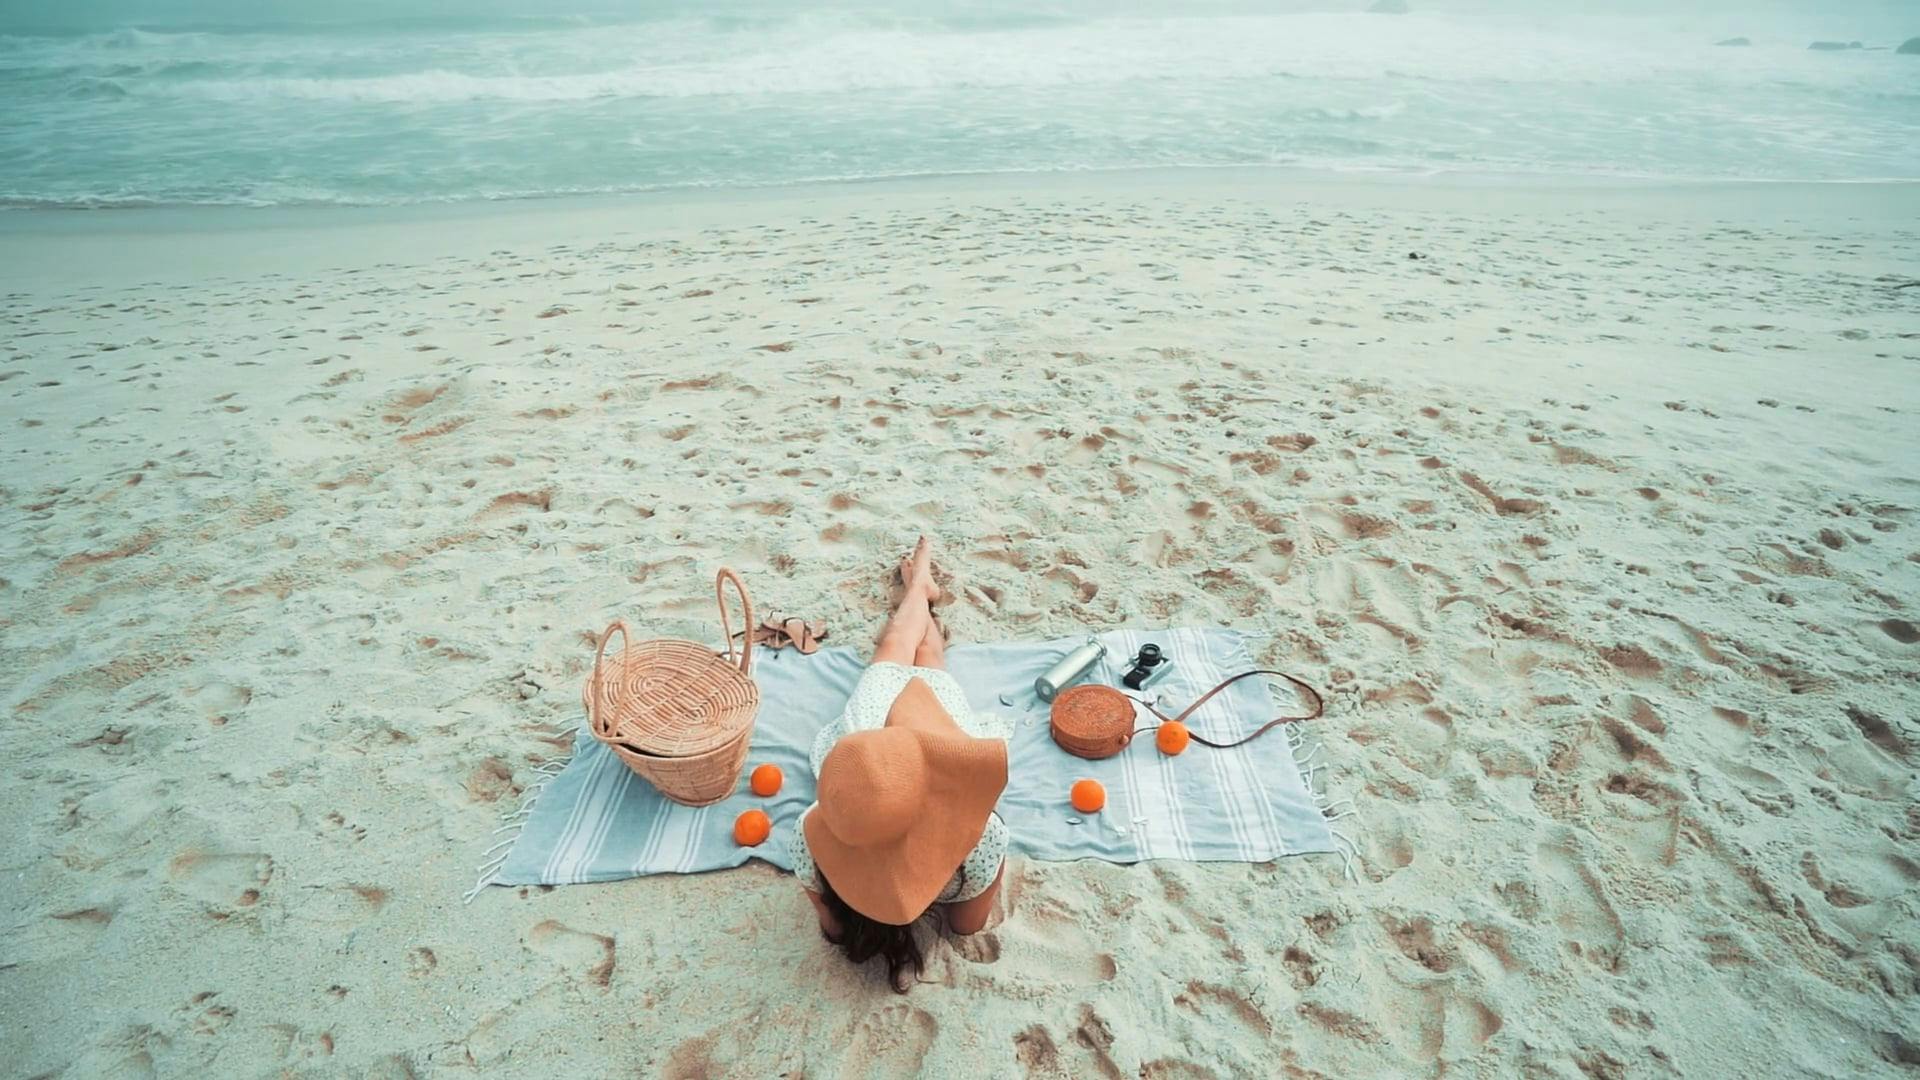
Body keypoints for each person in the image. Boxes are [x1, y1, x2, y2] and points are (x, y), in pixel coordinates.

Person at [787, 536, 1012, 991]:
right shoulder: (983, 837)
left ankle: (918, 589)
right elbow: (968, 925)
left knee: (900, 646)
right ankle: (919, 589)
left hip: (872, 741)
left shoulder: (812, 834)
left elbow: (835, 931)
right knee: (926, 657)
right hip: (896, 744)